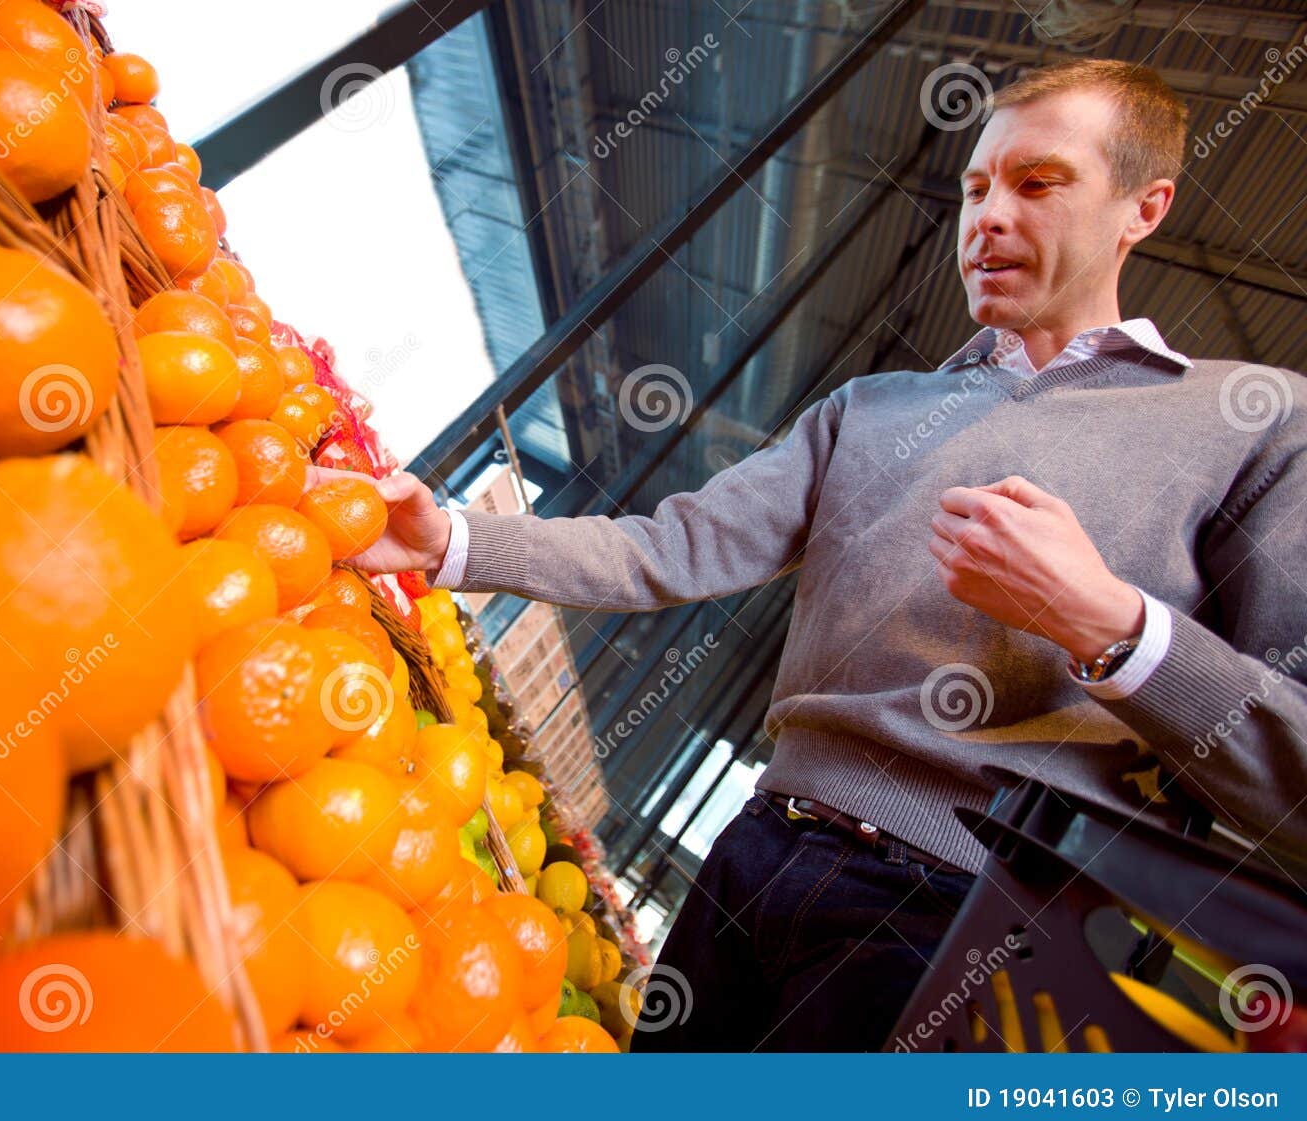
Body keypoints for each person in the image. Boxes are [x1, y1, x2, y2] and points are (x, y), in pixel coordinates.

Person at [321, 59, 1307, 1051]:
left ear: (1145, 206)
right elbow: (675, 547)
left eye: (1037, 183)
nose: (988, 218)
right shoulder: (870, 412)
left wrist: (1113, 628)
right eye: (974, 188)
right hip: (755, 859)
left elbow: (1290, 777)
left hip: (973, 921)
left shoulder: (1247, 426)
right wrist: (448, 538)